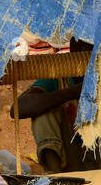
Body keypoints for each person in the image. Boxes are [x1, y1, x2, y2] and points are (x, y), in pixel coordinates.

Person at [11, 38, 96, 173]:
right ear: (72, 52)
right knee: (42, 108)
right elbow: (17, 109)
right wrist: (73, 92)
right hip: (68, 158)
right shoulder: (59, 79)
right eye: (79, 51)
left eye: (89, 51)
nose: (84, 55)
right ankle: (55, 177)